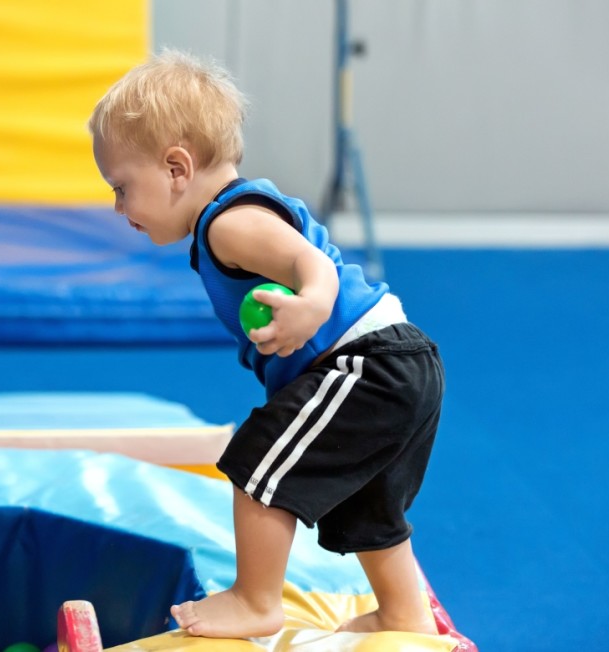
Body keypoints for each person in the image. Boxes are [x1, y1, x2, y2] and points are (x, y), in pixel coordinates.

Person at [88, 49, 444, 640]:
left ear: (177, 168)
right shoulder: (239, 210)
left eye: (122, 187)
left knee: (257, 460)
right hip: (402, 364)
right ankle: (405, 615)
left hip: (366, 364)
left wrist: (311, 305)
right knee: (367, 506)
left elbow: (310, 263)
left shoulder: (230, 224)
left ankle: (257, 600)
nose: (118, 206)